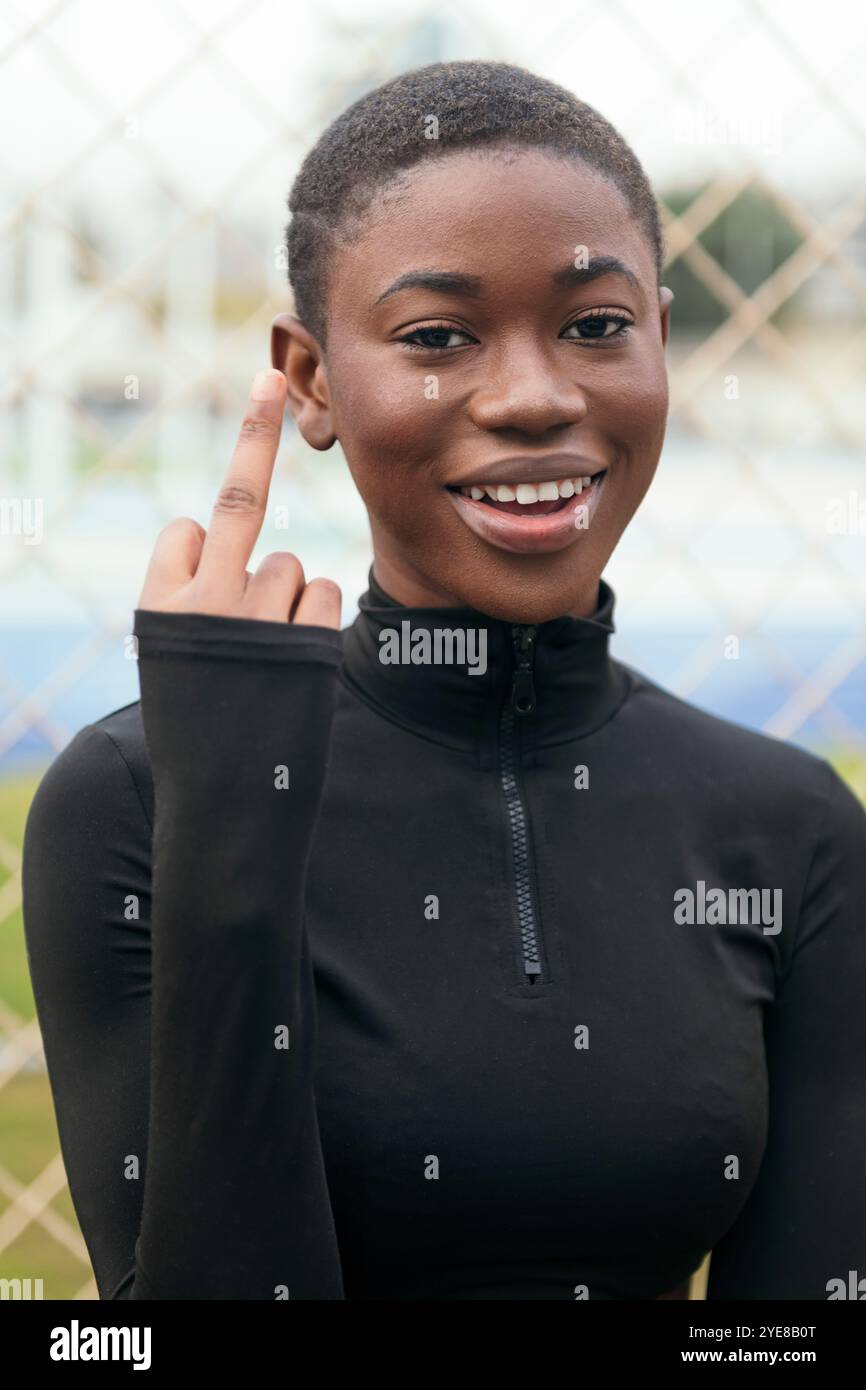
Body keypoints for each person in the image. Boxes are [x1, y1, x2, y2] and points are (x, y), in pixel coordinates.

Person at [21, 60, 866, 1301]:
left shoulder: (791, 832)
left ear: (662, 342)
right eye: (436, 337)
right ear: (310, 379)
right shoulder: (137, 798)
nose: (535, 396)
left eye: (594, 325)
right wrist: (229, 841)